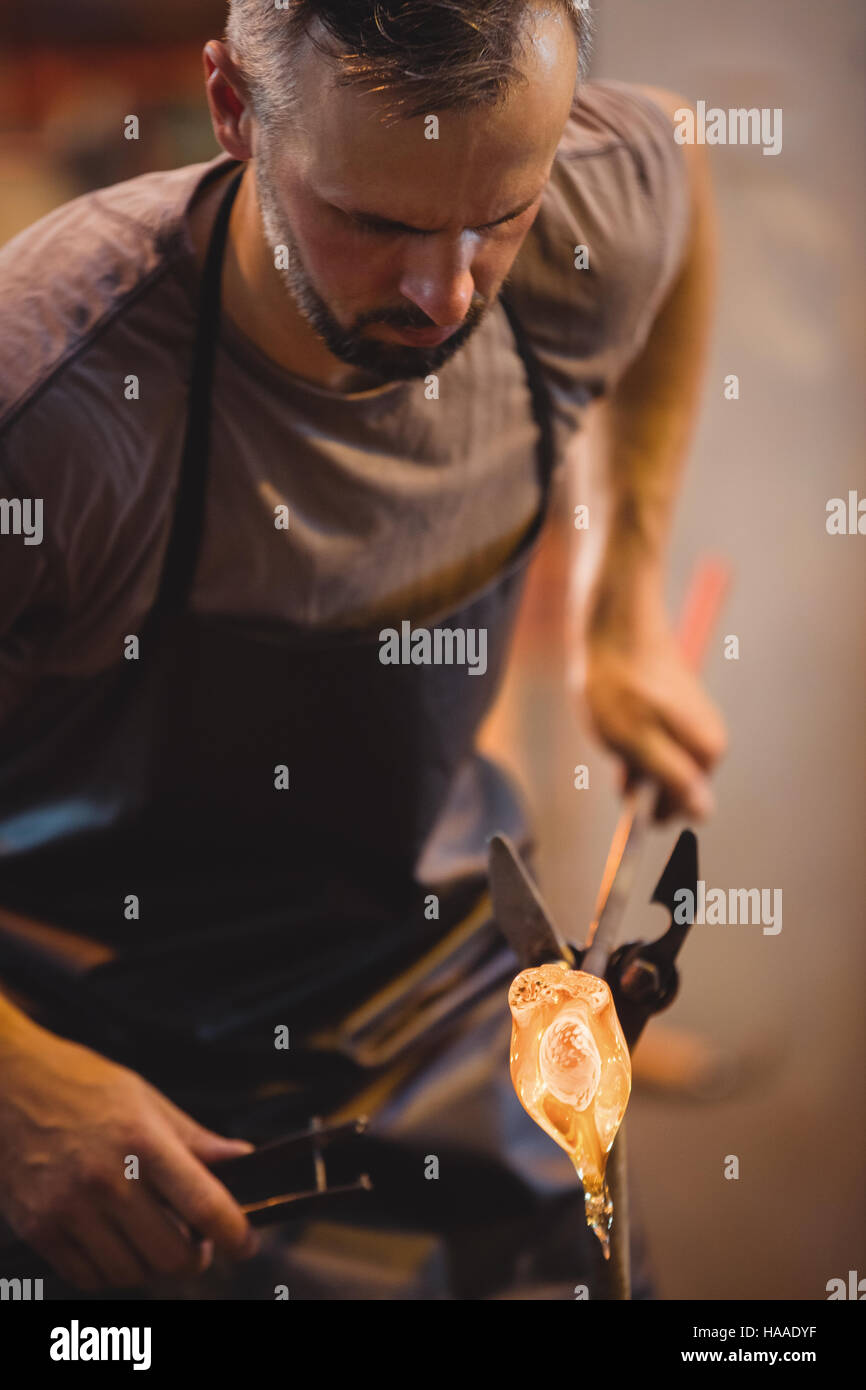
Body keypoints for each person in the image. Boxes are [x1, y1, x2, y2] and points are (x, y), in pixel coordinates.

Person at [0, 0, 726, 1299]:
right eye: (375, 222)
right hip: (88, 1015)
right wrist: (18, 1086)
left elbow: (674, 166)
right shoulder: (55, 408)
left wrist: (624, 605)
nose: (446, 293)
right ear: (235, 109)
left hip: (431, 966)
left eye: (497, 215)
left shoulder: (591, 207)